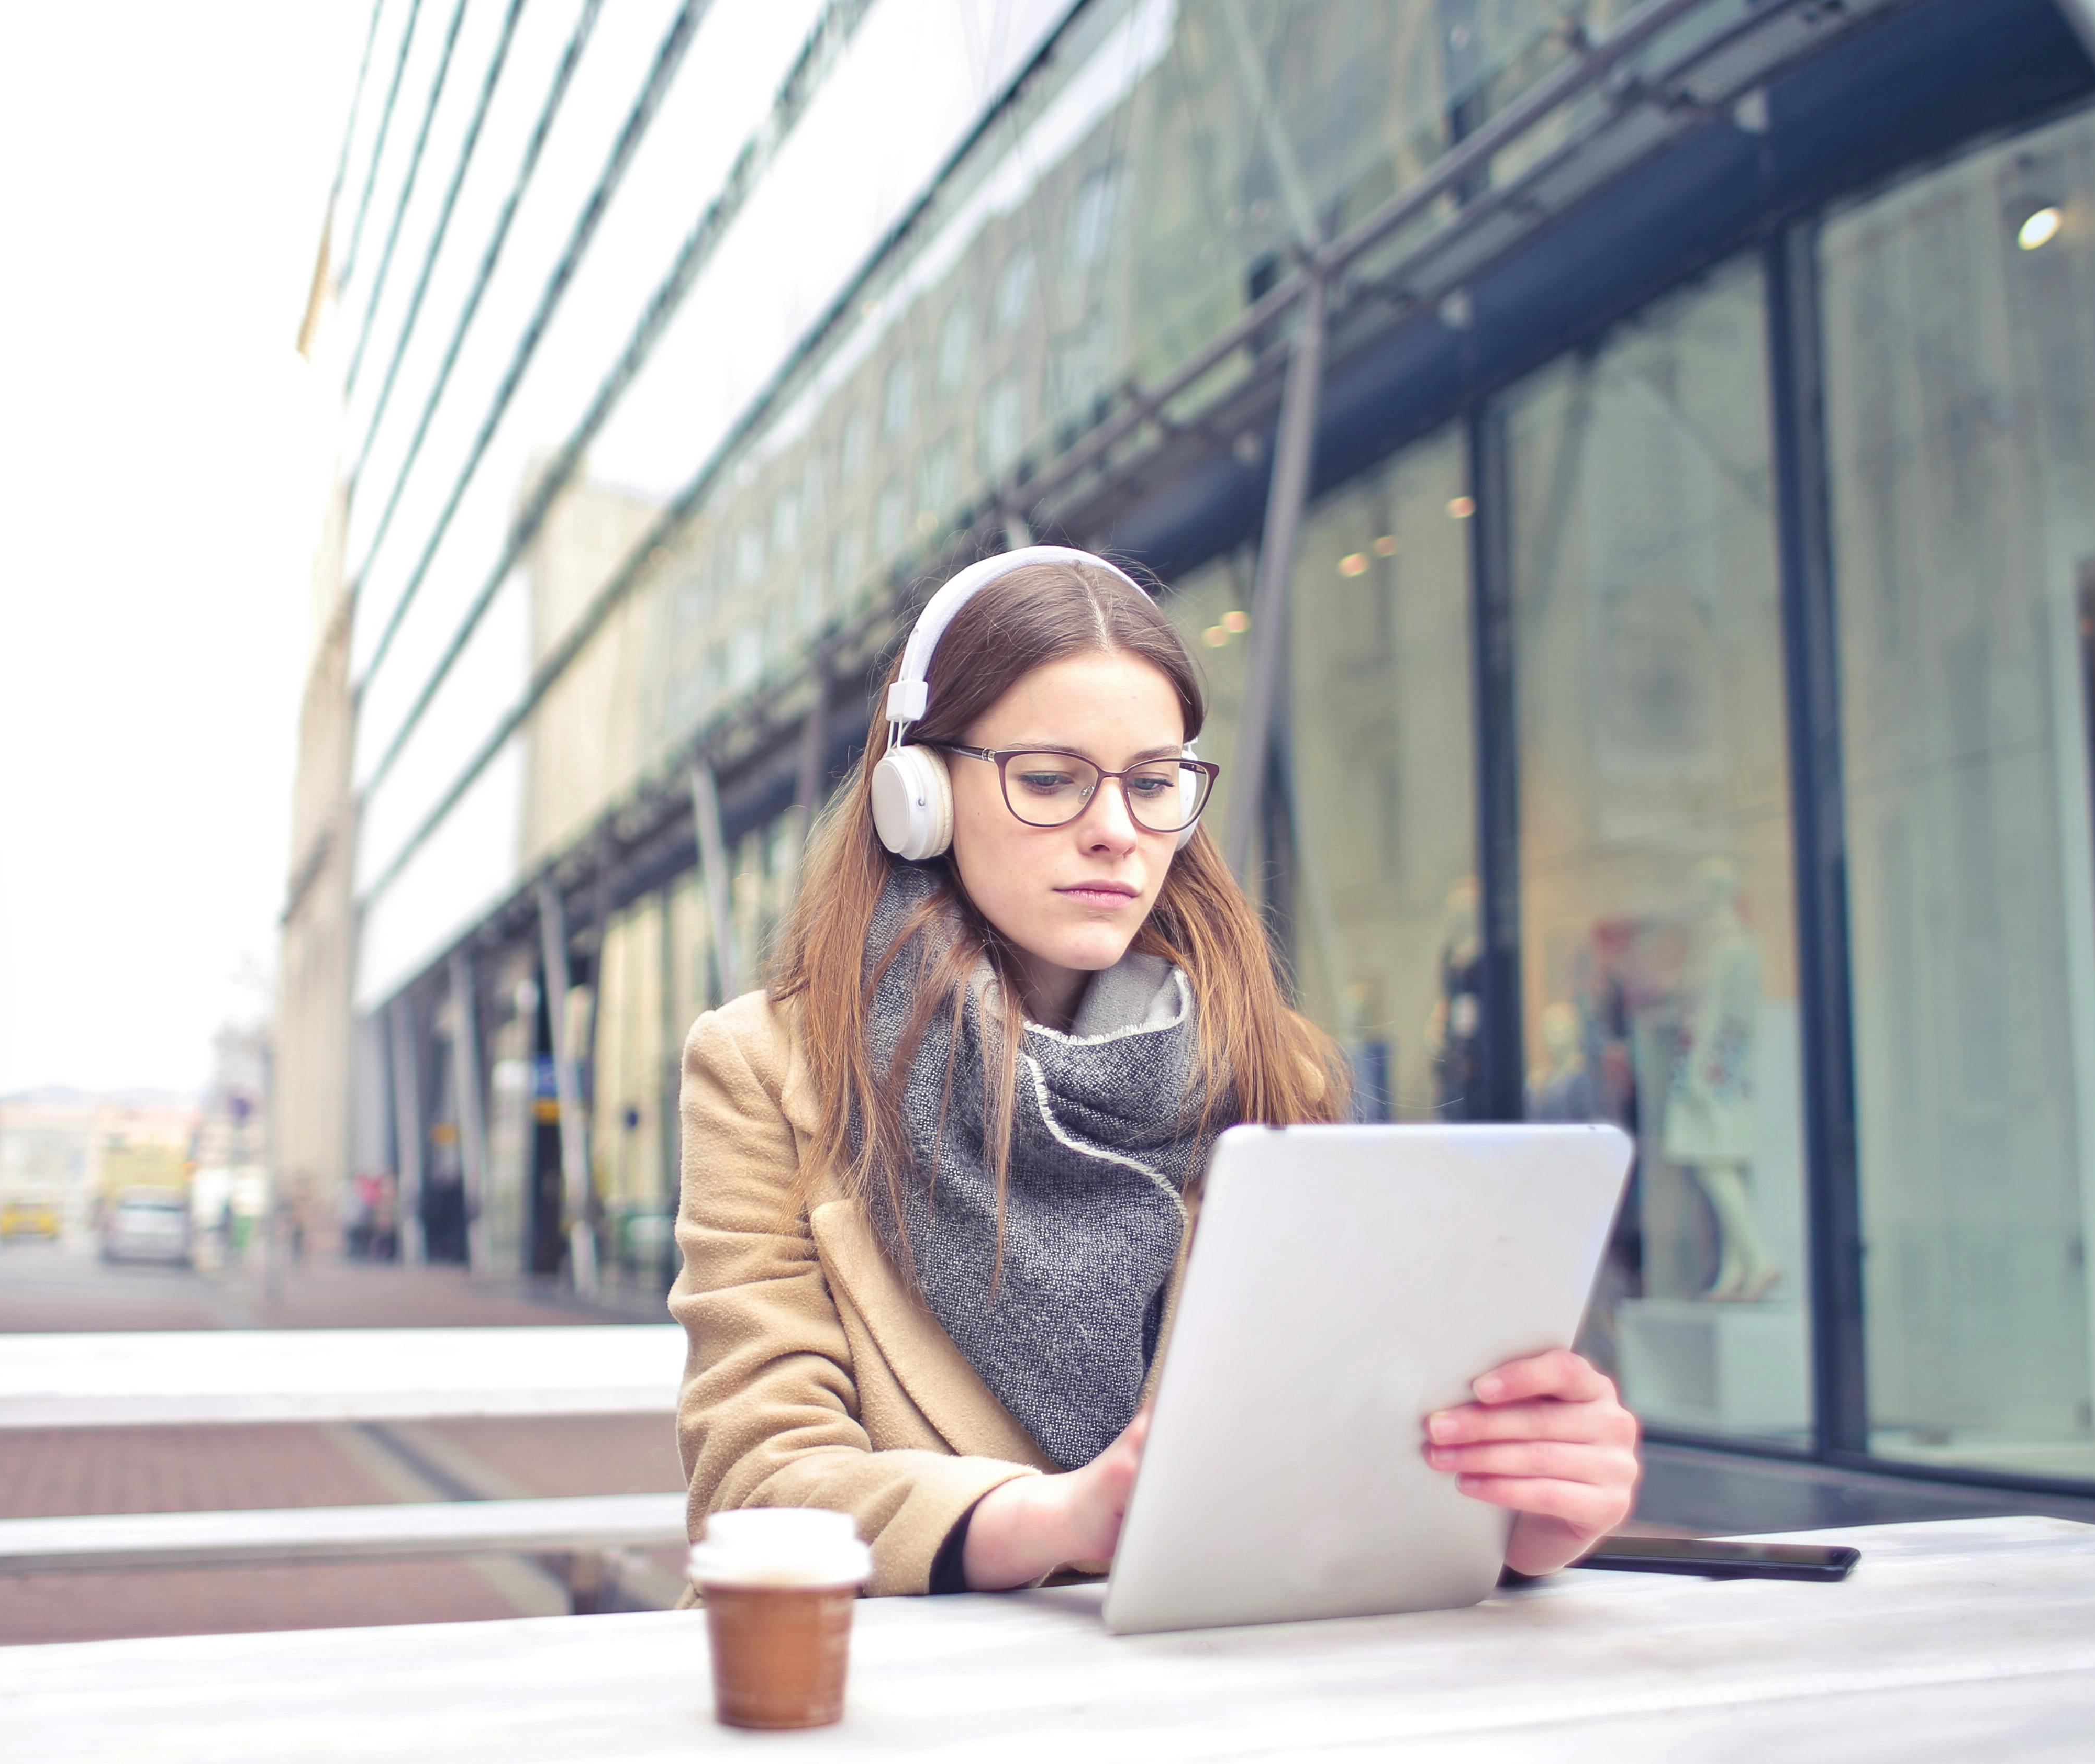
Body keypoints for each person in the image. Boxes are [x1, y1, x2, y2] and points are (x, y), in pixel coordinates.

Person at [672, 550, 1643, 1595]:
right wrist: (1051, 1521)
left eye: (1151, 785)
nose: (1115, 832)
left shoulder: (1275, 1070)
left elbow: (1332, 1449)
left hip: (1203, 1673)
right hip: (889, 1679)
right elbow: (757, 1484)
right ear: (919, 795)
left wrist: (1509, 1517)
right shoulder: (766, 1070)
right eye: (1050, 780)